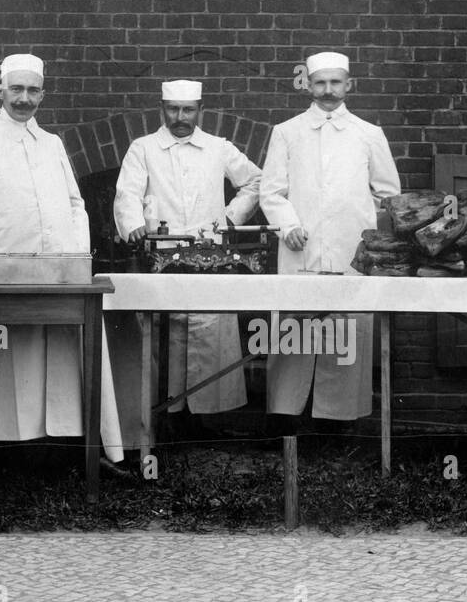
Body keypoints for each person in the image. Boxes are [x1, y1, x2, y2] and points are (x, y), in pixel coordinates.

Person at [0, 54, 124, 462]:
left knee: (59, 362)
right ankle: (4, 455)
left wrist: (78, 262)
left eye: (33, 90)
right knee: (9, 366)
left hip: (59, 277)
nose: (24, 99)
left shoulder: (53, 144)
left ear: (44, 93)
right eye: (17, 89)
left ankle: (59, 449)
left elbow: (76, 207)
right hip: (1, 280)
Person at [112, 79, 262, 439]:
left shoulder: (217, 148)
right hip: (162, 257)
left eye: (188, 110)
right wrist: (132, 224)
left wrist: (232, 217)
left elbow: (256, 181)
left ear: (200, 110)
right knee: (166, 335)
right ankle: (166, 415)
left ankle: (209, 417)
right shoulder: (143, 148)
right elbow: (127, 192)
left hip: (210, 256)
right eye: (173, 109)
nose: (180, 117)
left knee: (210, 329)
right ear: (161, 109)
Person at [259, 51, 400, 429]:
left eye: (335, 82)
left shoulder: (369, 134)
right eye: (320, 82)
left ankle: (339, 423)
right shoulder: (287, 132)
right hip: (299, 249)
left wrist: (362, 229)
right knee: (294, 330)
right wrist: (287, 225)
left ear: (348, 85)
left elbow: (388, 195)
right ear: (307, 84)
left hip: (351, 252)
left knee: (346, 330)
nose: (327, 90)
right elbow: (271, 191)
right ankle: (287, 421)